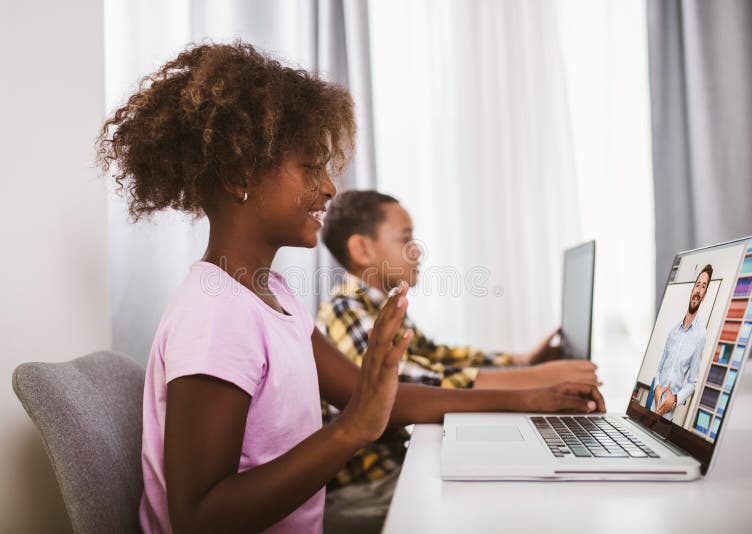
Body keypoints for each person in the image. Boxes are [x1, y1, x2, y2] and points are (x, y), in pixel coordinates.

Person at [97, 42, 605, 534]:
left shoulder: (272, 297)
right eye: (310, 167)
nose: (328, 186)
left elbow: (381, 400)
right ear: (239, 174)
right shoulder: (215, 314)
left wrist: (529, 398)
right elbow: (199, 519)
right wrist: (352, 427)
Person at [317, 190, 601, 530]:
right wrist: (533, 380)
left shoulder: (381, 306)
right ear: (362, 249)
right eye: (406, 239)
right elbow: (405, 382)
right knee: (504, 510)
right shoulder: (346, 307)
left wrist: (523, 361)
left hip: (393, 469)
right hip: (363, 490)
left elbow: (437, 356)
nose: (417, 249)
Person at [653, 264, 712, 420]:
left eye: (703, 287)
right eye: (697, 285)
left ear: (704, 294)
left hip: (668, 414)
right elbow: (660, 367)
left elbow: (693, 382)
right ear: (692, 290)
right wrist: (656, 387)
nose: (698, 290)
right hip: (652, 403)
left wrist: (675, 400)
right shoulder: (673, 331)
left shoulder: (700, 336)